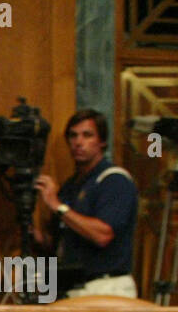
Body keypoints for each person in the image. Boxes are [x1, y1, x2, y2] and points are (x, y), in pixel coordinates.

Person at [32, 109, 139, 299]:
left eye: (87, 135)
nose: (78, 142)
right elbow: (63, 245)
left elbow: (102, 234)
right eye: (73, 136)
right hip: (73, 287)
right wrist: (35, 234)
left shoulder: (114, 180)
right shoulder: (70, 186)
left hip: (106, 287)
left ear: (102, 142)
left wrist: (57, 206)